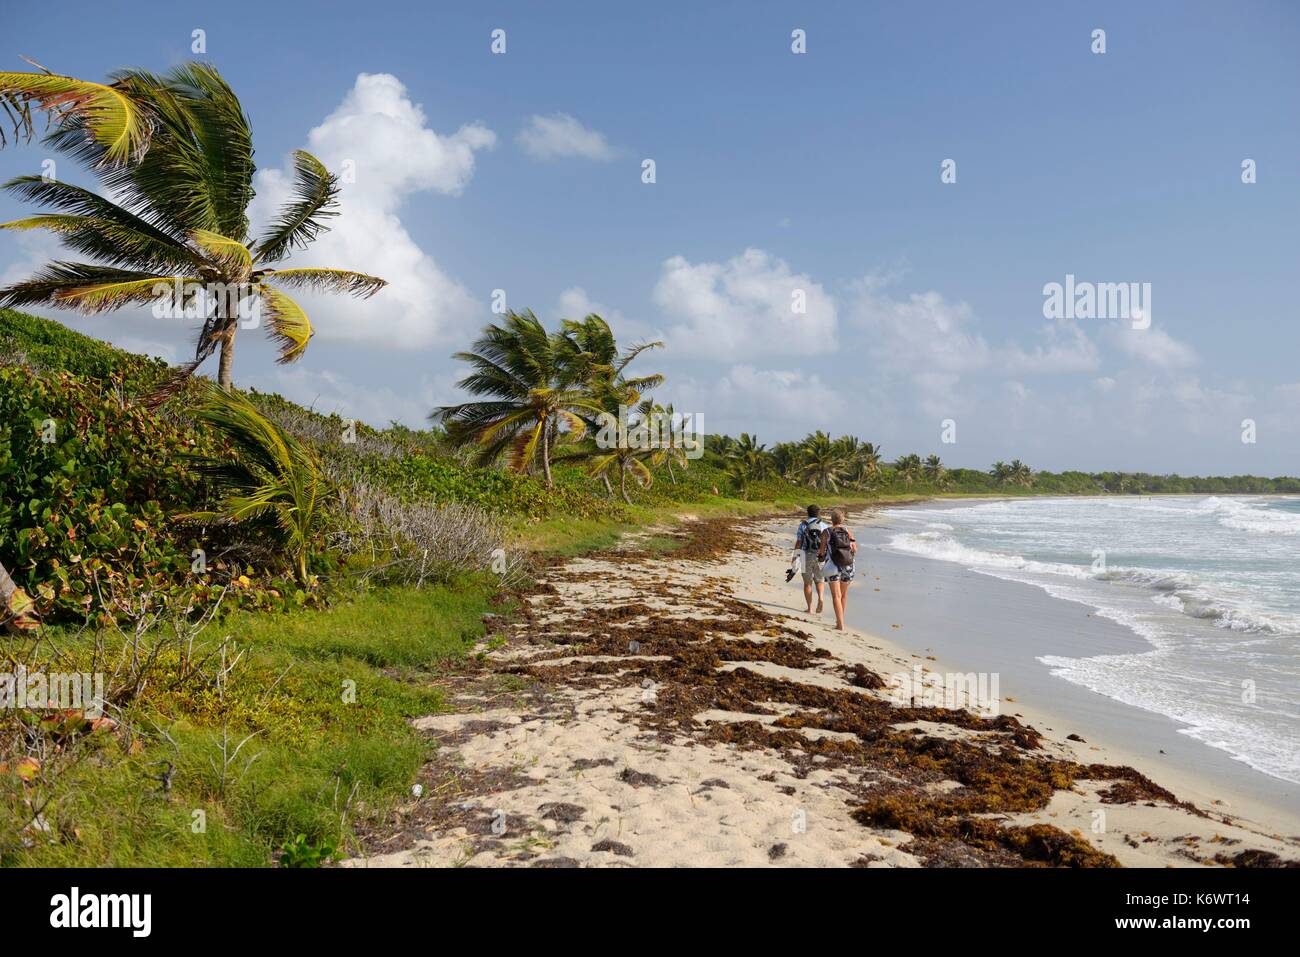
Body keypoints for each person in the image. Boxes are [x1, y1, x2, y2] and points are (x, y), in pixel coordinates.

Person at [823, 508, 858, 630]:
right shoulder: (848, 531)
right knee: (843, 595)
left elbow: (821, 552)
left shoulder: (826, 532)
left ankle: (840, 624)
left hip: (833, 565)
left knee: (836, 596)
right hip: (848, 565)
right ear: (842, 519)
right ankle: (840, 621)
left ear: (831, 519)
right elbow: (854, 549)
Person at [792, 505, 828, 614]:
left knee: (807, 583)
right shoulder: (824, 525)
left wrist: (795, 556)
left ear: (808, 513)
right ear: (818, 513)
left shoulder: (803, 525)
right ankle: (821, 598)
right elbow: (827, 542)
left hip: (805, 555)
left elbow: (799, 542)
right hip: (820, 556)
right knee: (820, 580)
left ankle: (810, 608)